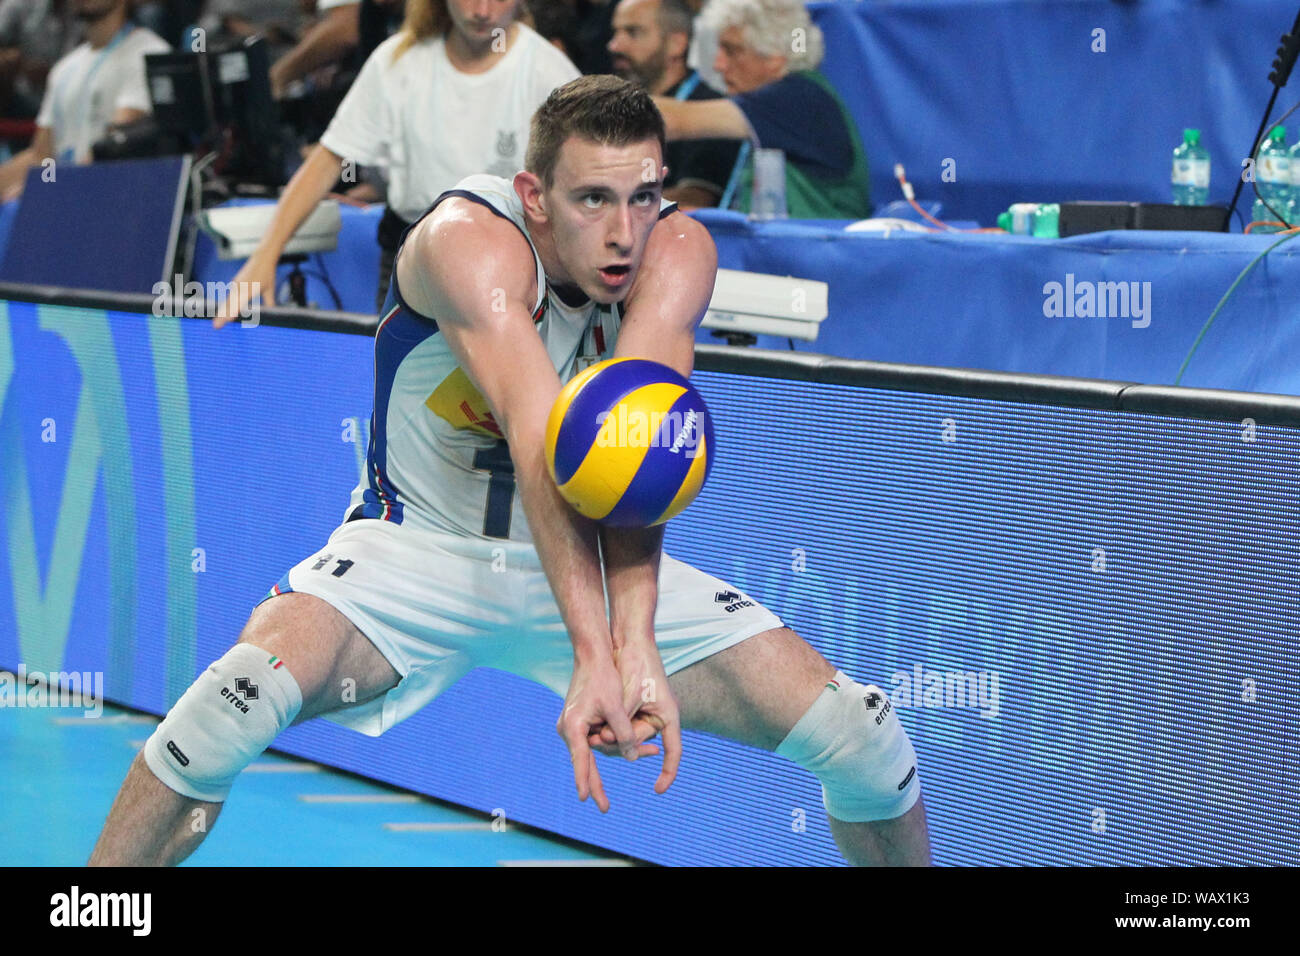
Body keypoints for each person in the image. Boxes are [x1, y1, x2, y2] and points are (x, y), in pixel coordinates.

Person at [88, 74, 931, 868]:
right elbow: (539, 442)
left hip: (593, 559)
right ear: (534, 197)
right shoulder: (470, 247)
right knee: (230, 703)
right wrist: (591, 652)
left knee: (864, 736)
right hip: (415, 554)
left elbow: (635, 462)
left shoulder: (678, 256)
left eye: (643, 195)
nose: (623, 231)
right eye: (592, 198)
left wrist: (628, 645)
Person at [217, 0, 579, 320]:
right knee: (395, 394)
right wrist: (264, 256)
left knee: (495, 396)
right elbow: (328, 159)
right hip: (407, 259)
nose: (482, 11)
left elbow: (583, 182)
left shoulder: (549, 72)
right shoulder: (397, 62)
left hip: (512, 266)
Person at [652, 0, 871, 219]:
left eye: (731, 50)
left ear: (775, 57)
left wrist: (618, 96)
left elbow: (674, 120)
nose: (718, 64)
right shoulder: (790, 99)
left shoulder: (797, 98)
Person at [0, 0, 169, 201]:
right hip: (64, 198)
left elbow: (114, 149)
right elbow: (41, 156)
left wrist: (41, 190)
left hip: (113, 200)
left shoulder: (149, 54)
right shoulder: (64, 68)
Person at [607, 0, 738, 209]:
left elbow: (696, 199)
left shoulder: (707, 105)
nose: (614, 45)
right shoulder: (612, 103)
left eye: (633, 32)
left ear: (677, 44)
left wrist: (611, 203)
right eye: (615, 32)